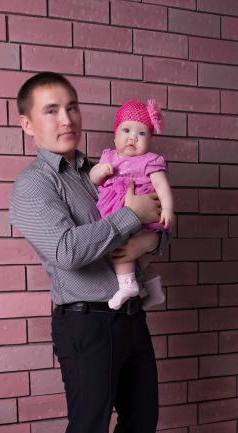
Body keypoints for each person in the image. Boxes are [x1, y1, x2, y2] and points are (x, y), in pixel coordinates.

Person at [9, 72, 187, 433]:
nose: (66, 118)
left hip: (129, 314)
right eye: (50, 110)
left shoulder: (105, 166)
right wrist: (130, 218)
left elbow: (160, 227)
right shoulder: (33, 185)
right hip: (84, 324)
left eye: (72, 106)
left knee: (141, 419)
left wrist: (146, 239)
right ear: (27, 124)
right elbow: (67, 252)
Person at [90, 99, 175, 311]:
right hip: (118, 212)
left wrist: (167, 209)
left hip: (140, 215)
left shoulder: (149, 161)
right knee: (141, 259)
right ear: (115, 135)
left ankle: (127, 285)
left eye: (141, 133)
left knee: (122, 247)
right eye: (126, 130)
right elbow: (94, 179)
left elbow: (162, 187)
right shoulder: (109, 157)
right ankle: (155, 292)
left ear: (150, 140)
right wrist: (98, 172)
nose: (132, 137)